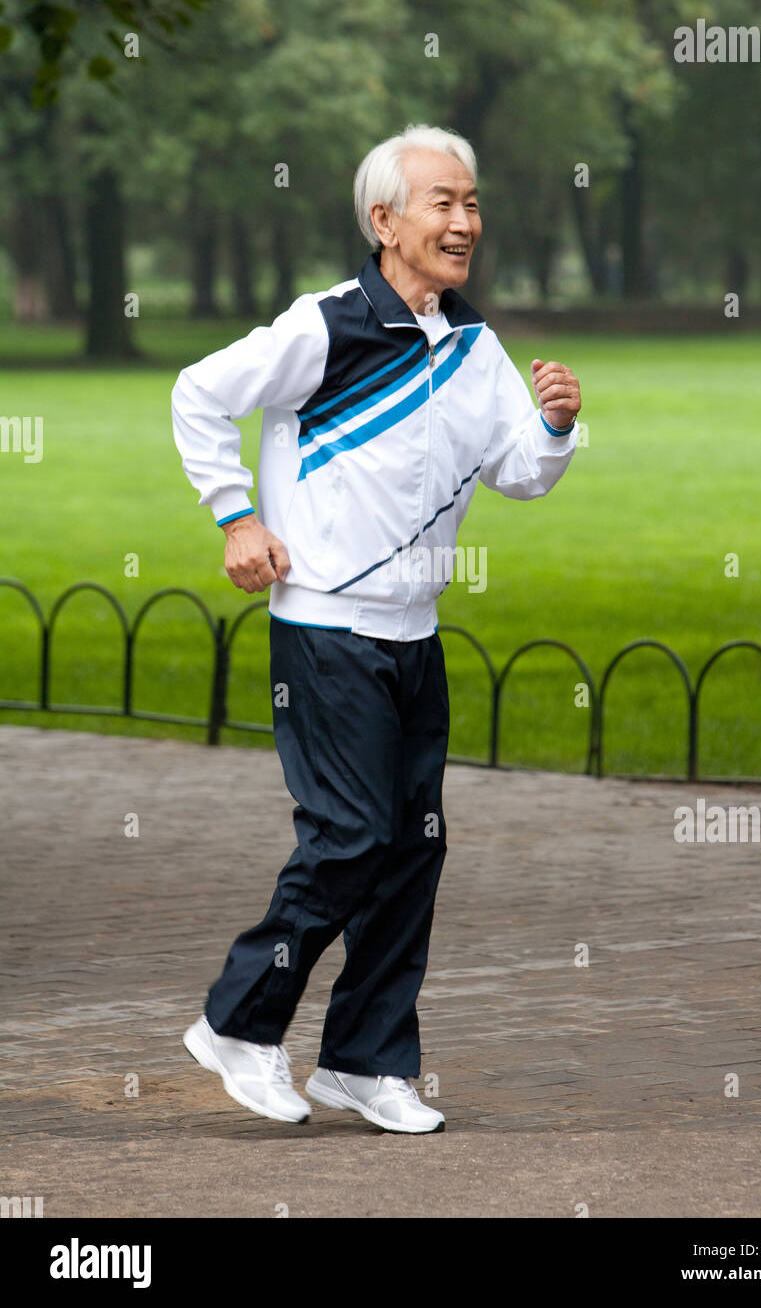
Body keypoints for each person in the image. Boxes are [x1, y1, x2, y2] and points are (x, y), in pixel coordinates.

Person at [170, 123, 581, 1134]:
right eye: (443, 202)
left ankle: (365, 1060)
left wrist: (556, 427)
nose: (464, 220)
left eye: (471, 203)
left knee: (411, 848)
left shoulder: (475, 348)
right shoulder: (326, 327)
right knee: (350, 838)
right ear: (384, 221)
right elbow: (199, 394)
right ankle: (238, 1024)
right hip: (325, 631)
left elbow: (517, 472)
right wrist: (236, 517)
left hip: (414, 635)